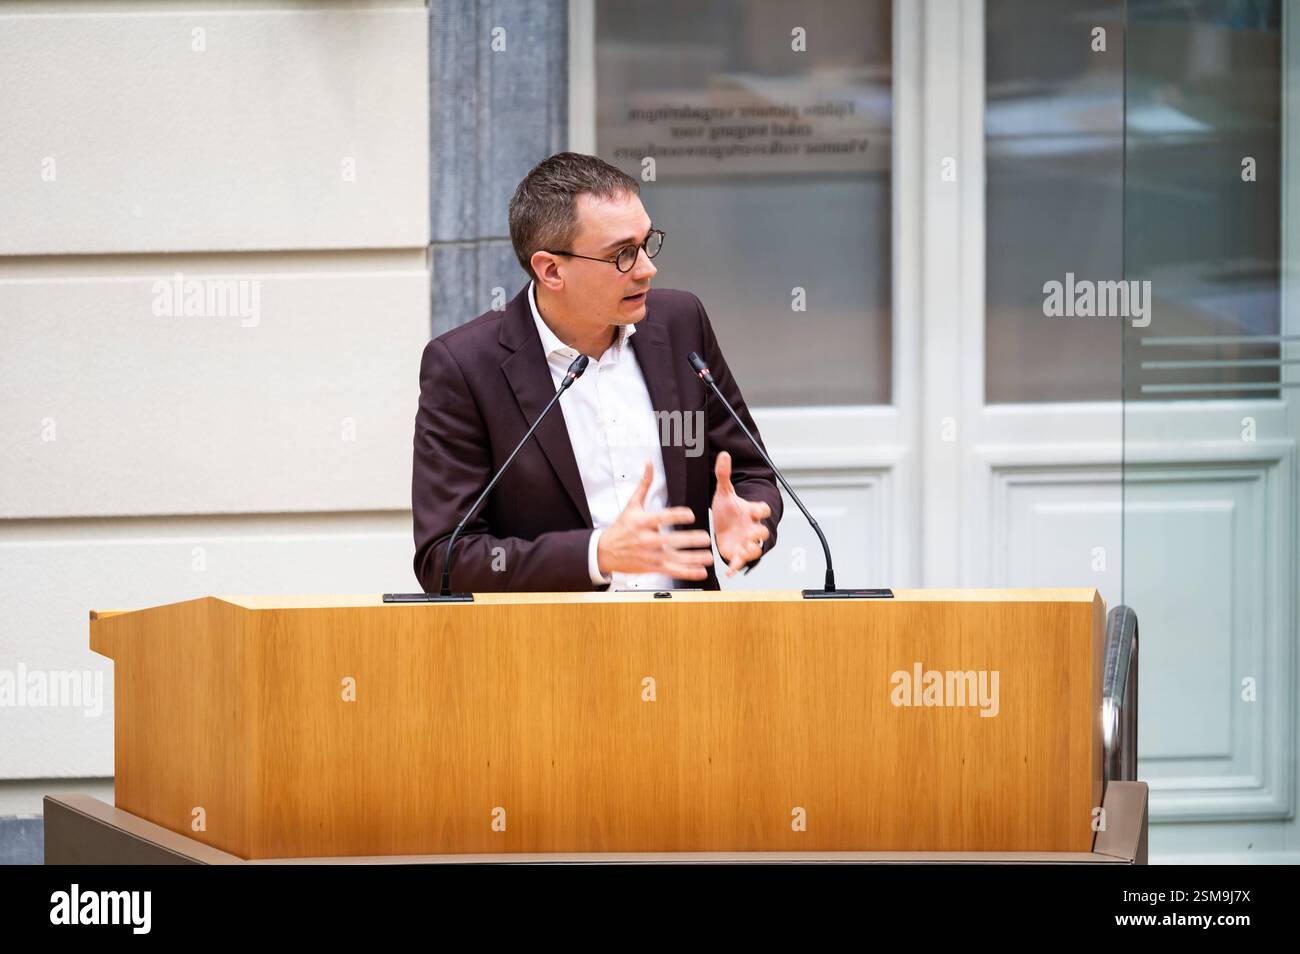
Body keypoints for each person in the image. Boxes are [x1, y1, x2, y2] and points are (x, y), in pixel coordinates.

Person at [412, 152, 782, 592]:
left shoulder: (681, 324)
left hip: (687, 641)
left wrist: (749, 516)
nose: (647, 268)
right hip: (557, 650)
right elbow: (446, 559)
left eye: (647, 243)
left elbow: (748, 470)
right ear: (551, 270)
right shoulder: (465, 367)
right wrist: (596, 554)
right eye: (622, 255)